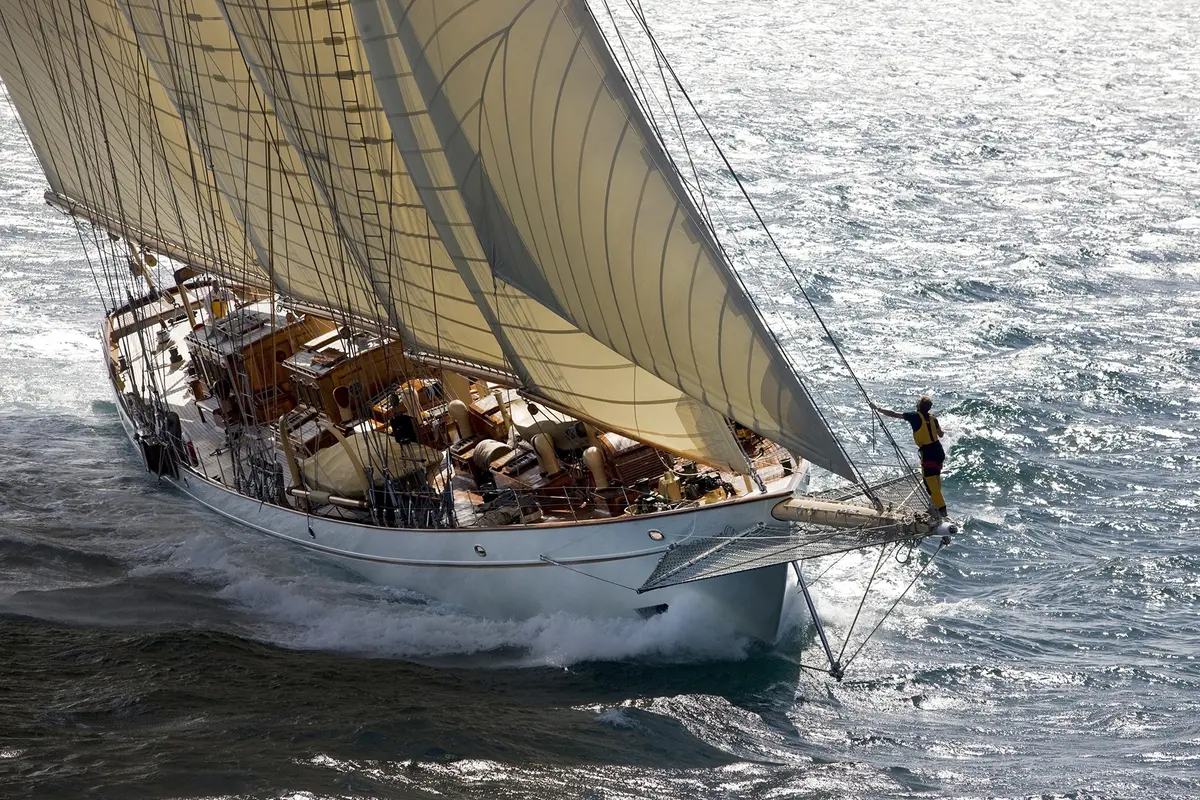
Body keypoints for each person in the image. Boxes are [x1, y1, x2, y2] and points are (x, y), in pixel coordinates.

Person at [872, 395, 948, 517]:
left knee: (929, 483)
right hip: (938, 450)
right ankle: (934, 507)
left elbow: (894, 414)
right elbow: (941, 434)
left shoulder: (915, 416)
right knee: (935, 480)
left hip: (928, 453)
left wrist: (878, 409)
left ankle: (942, 511)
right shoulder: (933, 418)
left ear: (918, 406)